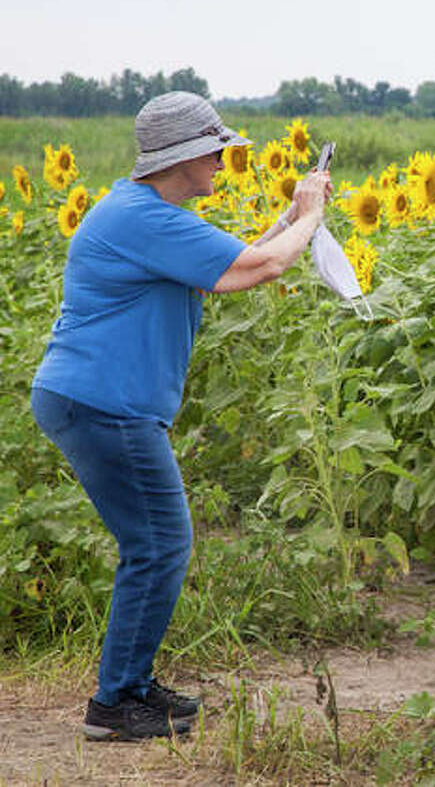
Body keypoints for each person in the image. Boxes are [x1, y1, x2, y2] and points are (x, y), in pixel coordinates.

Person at [29, 92, 331, 741]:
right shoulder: (146, 219)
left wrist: (289, 216)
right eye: (218, 148)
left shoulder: (144, 214)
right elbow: (266, 265)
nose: (226, 159)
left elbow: (233, 261)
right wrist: (310, 216)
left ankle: (131, 685)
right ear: (185, 154)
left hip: (96, 400)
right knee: (160, 544)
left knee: (154, 544)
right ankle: (115, 703)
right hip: (105, 403)